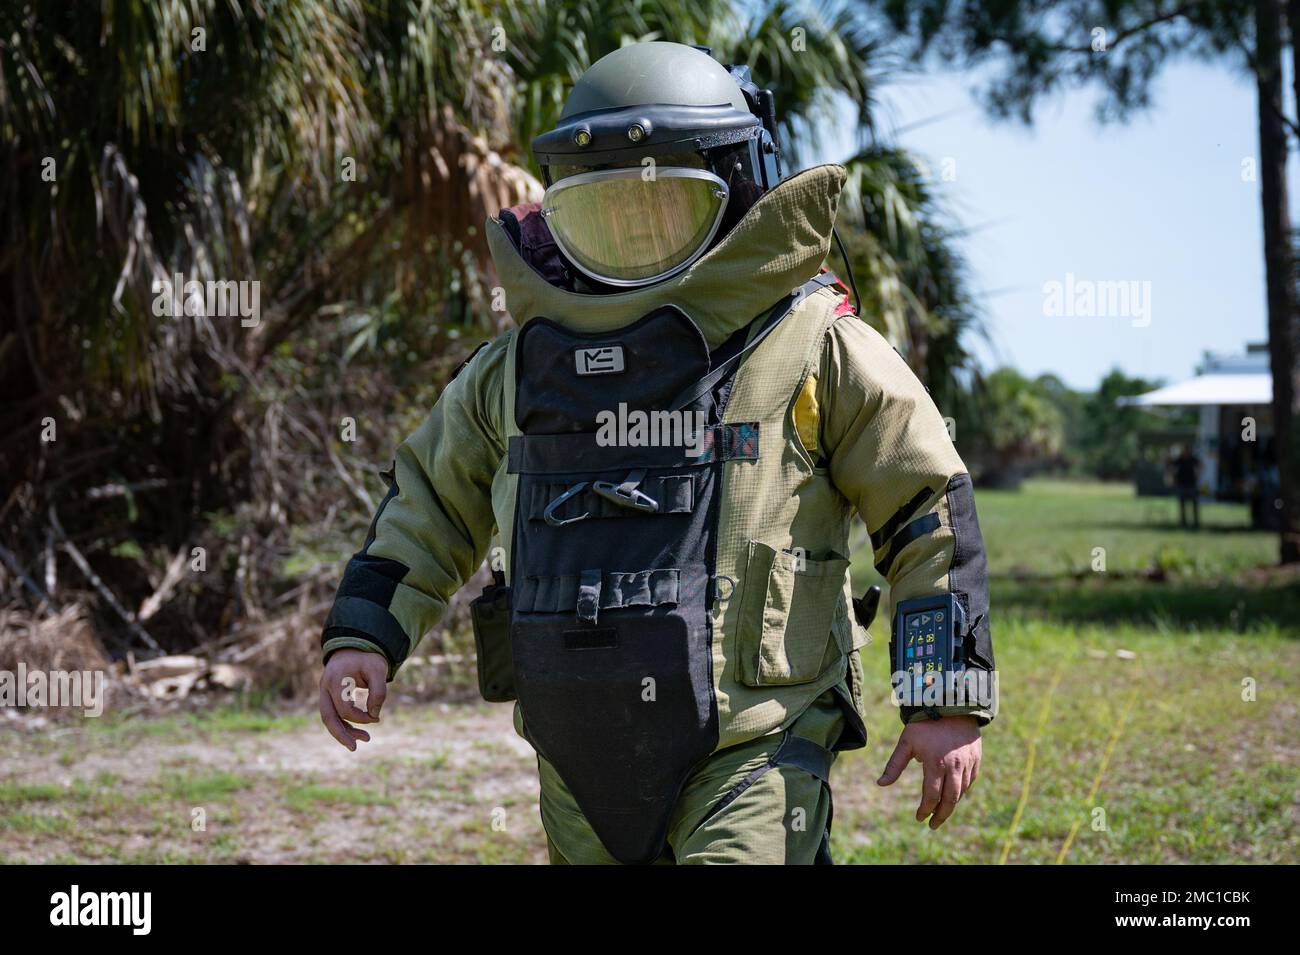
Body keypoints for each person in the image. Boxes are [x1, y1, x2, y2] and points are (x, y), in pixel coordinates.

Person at [317, 41, 998, 864]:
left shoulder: (816, 348)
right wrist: (364, 635)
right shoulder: (515, 370)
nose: (636, 235)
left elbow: (925, 507)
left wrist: (944, 699)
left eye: (664, 207)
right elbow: (427, 506)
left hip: (755, 747)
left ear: (736, 190)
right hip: (577, 759)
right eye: (605, 216)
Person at [1172, 445, 1201, 529]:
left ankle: (1196, 523)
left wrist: (1198, 476)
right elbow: (1172, 468)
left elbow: (1201, 466)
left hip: (1191, 484)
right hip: (1181, 485)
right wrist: (1174, 478)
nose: (1186, 452)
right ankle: (1183, 523)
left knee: (1194, 504)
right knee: (1182, 505)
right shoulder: (1179, 460)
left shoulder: (1193, 459)